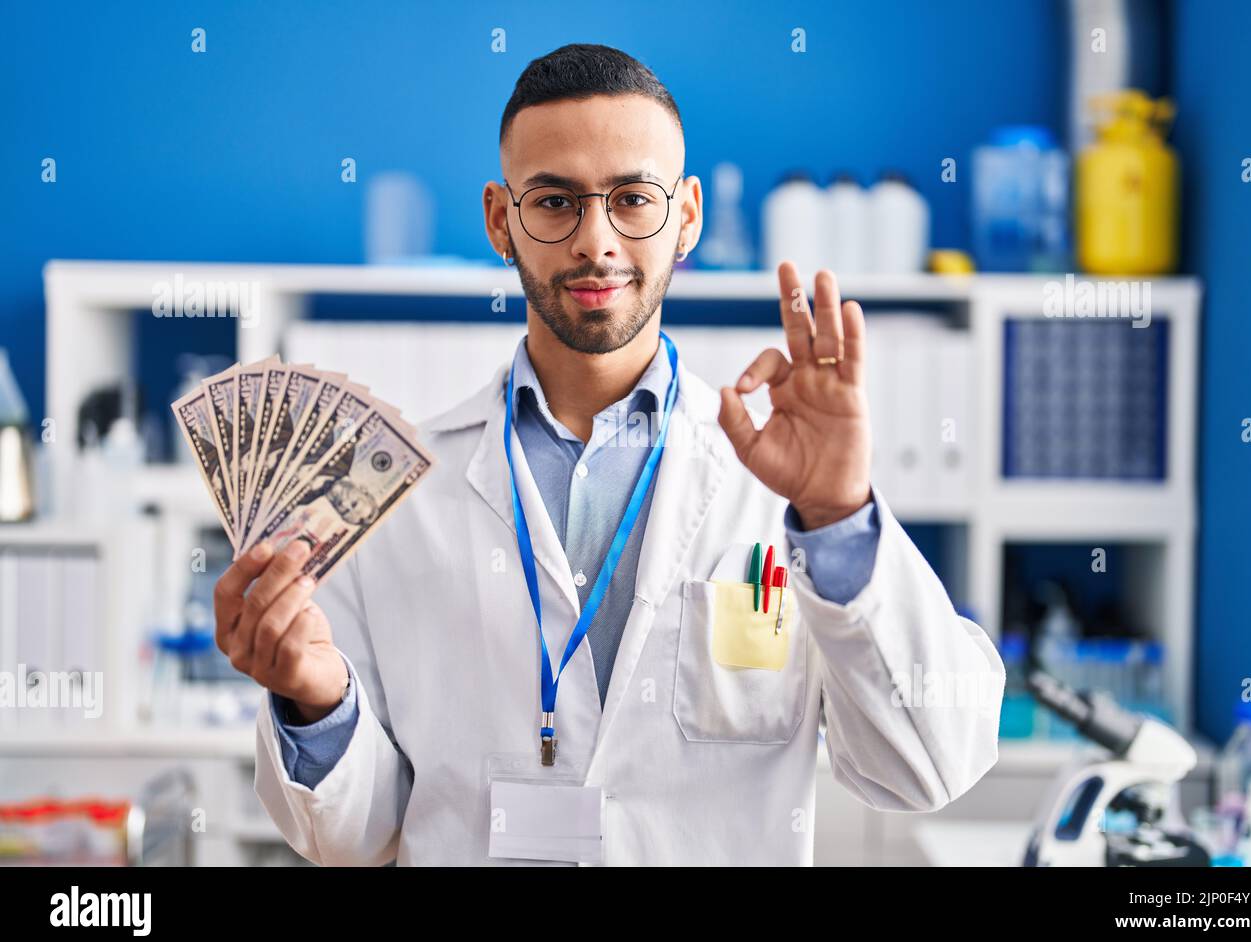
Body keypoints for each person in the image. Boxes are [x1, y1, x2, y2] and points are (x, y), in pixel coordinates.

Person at [214, 43, 1004, 866]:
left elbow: (931, 766)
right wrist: (314, 702)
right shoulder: (399, 497)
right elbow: (355, 837)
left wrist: (840, 519)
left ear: (687, 215)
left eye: (633, 199)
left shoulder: (778, 482)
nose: (597, 242)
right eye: (554, 201)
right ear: (499, 218)